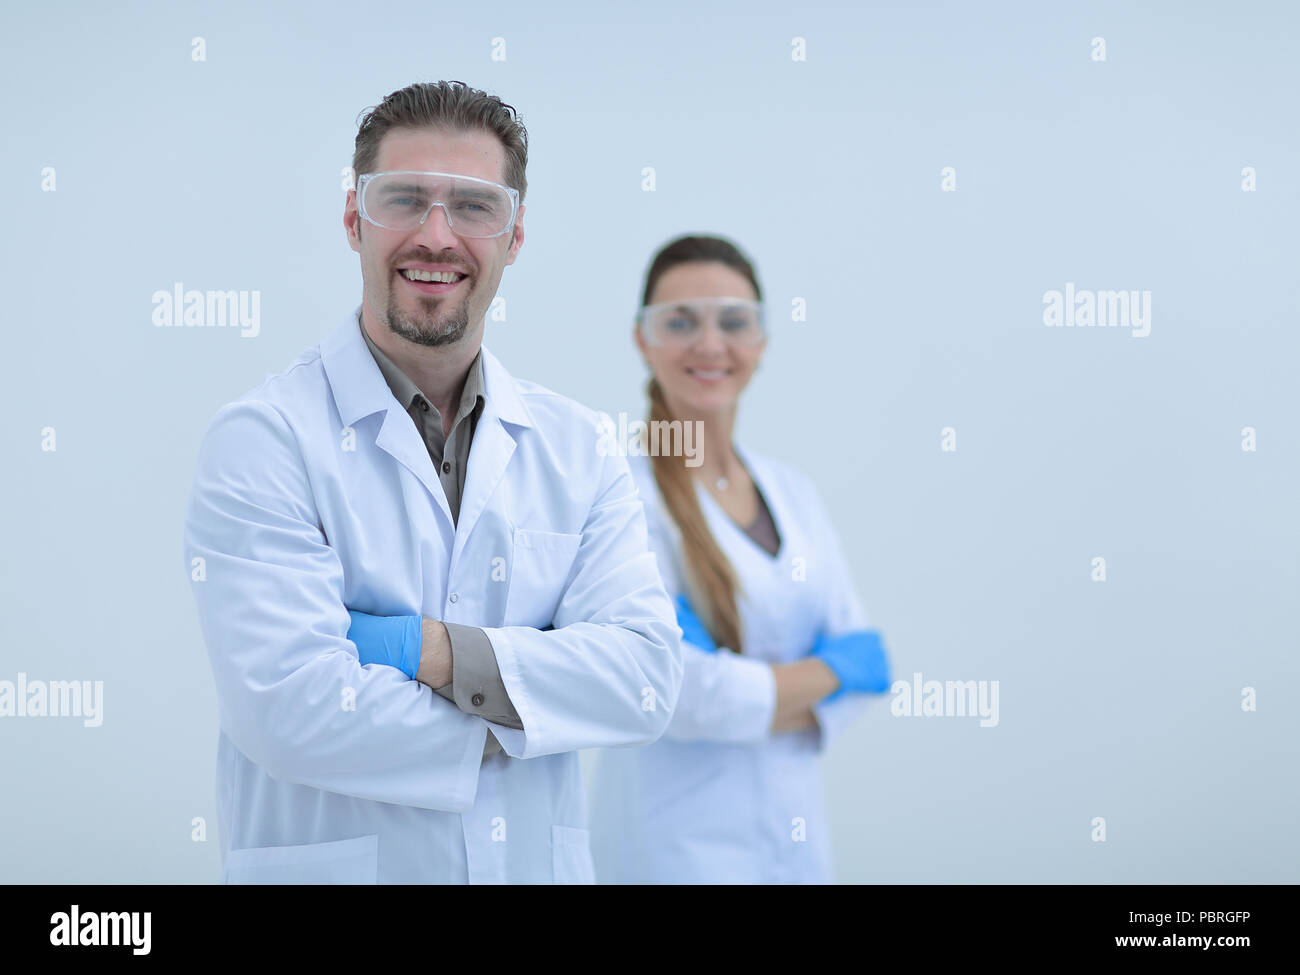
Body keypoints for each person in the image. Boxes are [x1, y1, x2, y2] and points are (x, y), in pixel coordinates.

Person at [182, 80, 682, 885]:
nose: (437, 235)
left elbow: (647, 678)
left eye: (475, 206)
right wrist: (538, 708)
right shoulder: (264, 440)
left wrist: (430, 651)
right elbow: (290, 711)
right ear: (355, 219)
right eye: (405, 199)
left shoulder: (579, 448)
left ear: (515, 235)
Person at [587, 234, 892, 883]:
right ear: (642, 339)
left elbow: (873, 666)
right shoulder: (620, 494)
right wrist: (833, 669)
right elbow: (676, 692)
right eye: (680, 321)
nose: (709, 344)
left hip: (796, 845)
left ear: (761, 341)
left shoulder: (793, 492)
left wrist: (750, 692)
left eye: (733, 321)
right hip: (675, 853)